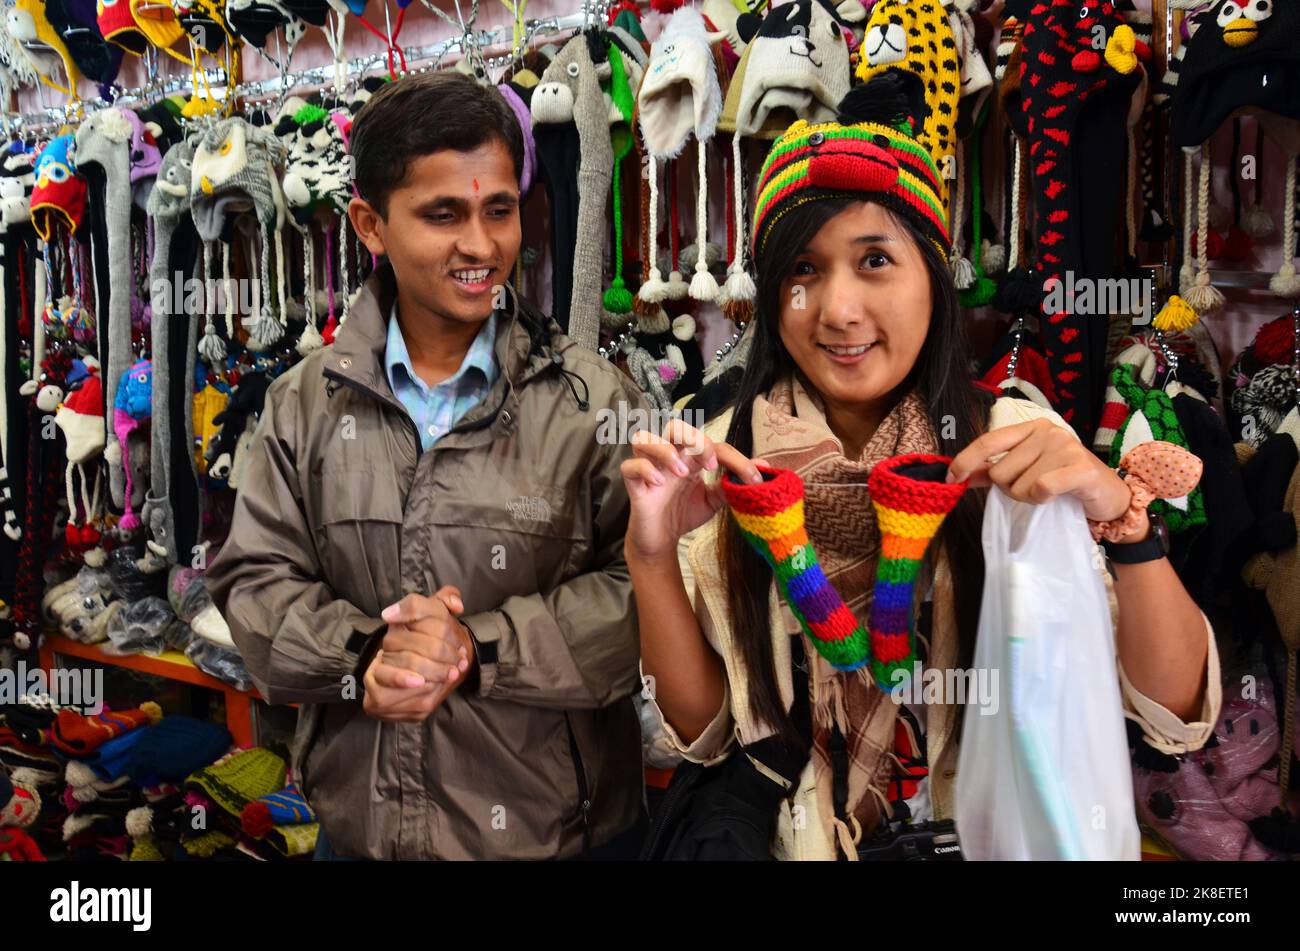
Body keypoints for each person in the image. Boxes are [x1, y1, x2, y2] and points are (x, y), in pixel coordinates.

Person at [623, 80, 1223, 860]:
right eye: (802, 269)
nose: (837, 308)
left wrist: (1127, 523)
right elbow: (704, 736)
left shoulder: (1013, 444)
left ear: (933, 279)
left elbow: (1174, 711)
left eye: (876, 259)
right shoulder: (722, 460)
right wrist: (650, 557)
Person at [205, 72, 647, 860]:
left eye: (499, 210)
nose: (481, 245)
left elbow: (647, 598)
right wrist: (364, 653)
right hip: (360, 834)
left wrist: (480, 648)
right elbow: (252, 583)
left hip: (558, 841)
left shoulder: (591, 398)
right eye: (443, 214)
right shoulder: (303, 405)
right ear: (370, 224)